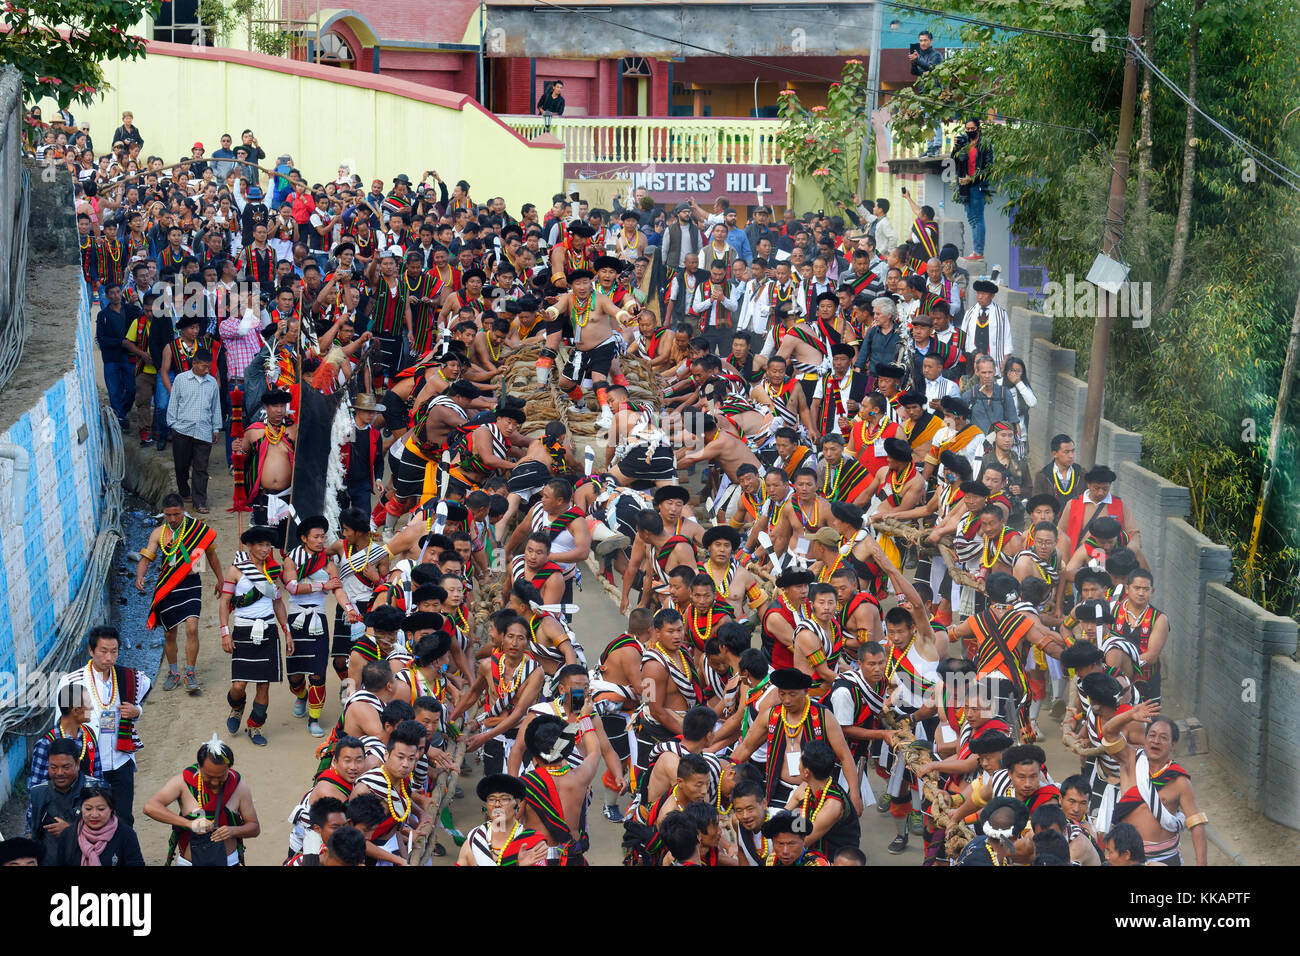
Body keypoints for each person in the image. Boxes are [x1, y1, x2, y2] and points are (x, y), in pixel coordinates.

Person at [55, 626, 151, 827]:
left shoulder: (127, 677)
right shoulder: (73, 682)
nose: (109, 658)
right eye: (103, 651)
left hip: (120, 760)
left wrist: (137, 711)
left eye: (114, 651)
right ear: (91, 651)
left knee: (124, 819)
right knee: (89, 820)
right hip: (87, 765)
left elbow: (143, 692)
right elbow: (61, 729)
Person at [135, 493, 222, 693]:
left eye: (176, 514)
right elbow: (146, 559)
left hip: (191, 584)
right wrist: (140, 575)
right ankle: (173, 672)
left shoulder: (198, 530)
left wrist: (221, 580)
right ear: (163, 514)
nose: (173, 519)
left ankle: (190, 673)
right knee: (168, 633)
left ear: (184, 511)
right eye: (168, 515)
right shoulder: (157, 533)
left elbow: (212, 555)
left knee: (192, 628)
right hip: (168, 586)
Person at [218, 525, 293, 746]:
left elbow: (278, 602)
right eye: (260, 544)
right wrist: (225, 633)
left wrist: (286, 631)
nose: (265, 549)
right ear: (249, 546)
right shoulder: (236, 571)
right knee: (239, 685)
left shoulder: (272, 571)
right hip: (243, 630)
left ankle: (255, 725)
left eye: (268, 544)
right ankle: (237, 707)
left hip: (268, 630)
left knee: (263, 685)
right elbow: (224, 603)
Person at [145, 733, 260, 866]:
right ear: (199, 767)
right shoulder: (183, 782)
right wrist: (189, 824)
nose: (215, 782)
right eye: (209, 776)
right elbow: (150, 807)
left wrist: (233, 831)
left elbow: (254, 827)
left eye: (221, 776)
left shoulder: (239, 787)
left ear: (229, 769)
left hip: (229, 862)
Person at [166, 346, 223, 514]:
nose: (207, 370)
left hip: (204, 431)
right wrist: (173, 425)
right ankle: (184, 491)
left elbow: (215, 407)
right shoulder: (181, 379)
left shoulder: (212, 382)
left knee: (201, 468)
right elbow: (174, 403)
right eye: (204, 366)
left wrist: (216, 429)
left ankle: (200, 502)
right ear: (195, 363)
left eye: (209, 367)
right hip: (182, 430)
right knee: (181, 466)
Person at [26, 739, 94, 865]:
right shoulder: (38, 793)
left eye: (65, 767)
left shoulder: (96, 791)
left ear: (77, 764)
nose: (59, 773)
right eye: (54, 767)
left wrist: (71, 832)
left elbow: (110, 833)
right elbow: (34, 834)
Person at [51, 783, 145, 867]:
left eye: (101, 809)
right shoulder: (68, 835)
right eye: (88, 809)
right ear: (81, 808)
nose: (94, 815)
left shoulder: (126, 834)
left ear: (111, 809)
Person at [951, 117, 992, 261]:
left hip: (977, 185)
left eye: (972, 129)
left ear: (978, 129)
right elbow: (954, 161)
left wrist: (972, 178)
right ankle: (976, 252)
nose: (969, 131)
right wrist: (956, 148)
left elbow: (989, 168)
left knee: (977, 218)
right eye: (967, 129)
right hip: (964, 185)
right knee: (971, 219)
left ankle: (978, 251)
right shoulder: (964, 142)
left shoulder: (984, 144)